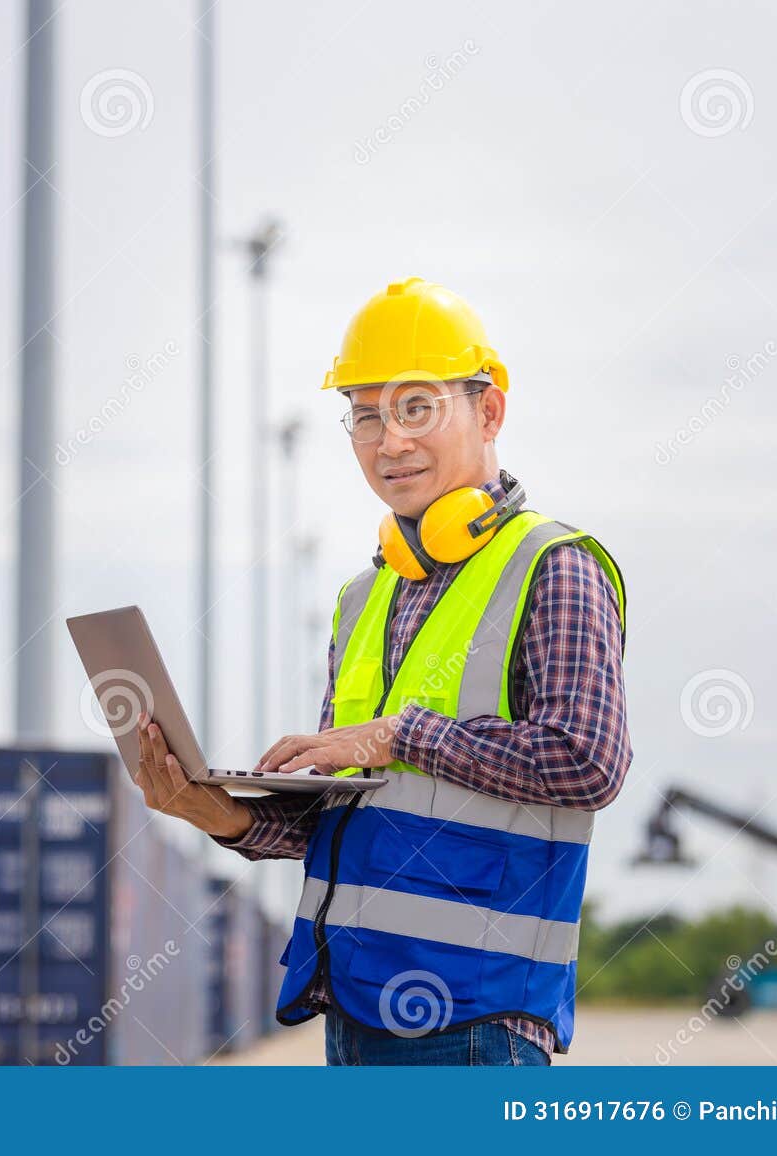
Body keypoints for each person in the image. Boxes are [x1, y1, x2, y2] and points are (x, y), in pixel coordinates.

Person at [133, 277, 631, 1066]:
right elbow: (352, 819)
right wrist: (213, 811)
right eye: (366, 415)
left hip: (477, 1024)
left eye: (416, 408)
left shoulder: (554, 569)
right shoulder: (365, 599)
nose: (388, 440)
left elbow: (588, 763)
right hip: (353, 1013)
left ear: (490, 411)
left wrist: (399, 734)